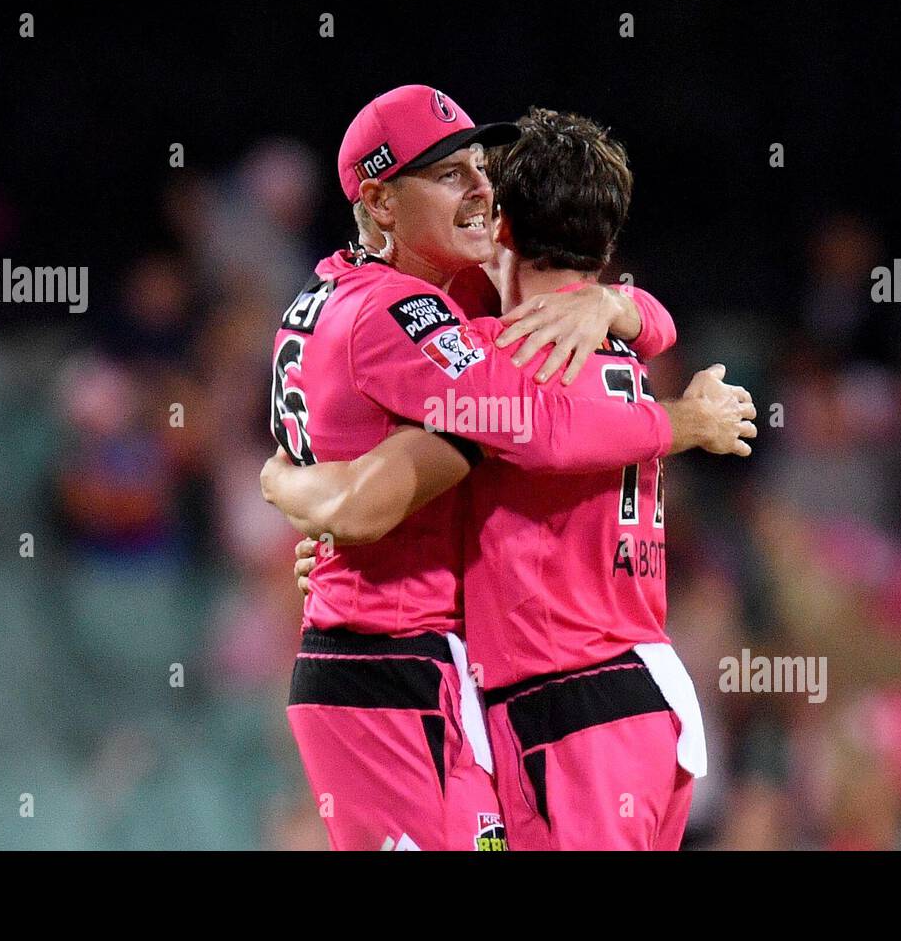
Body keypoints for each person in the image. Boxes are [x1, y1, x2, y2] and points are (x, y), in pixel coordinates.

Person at [265, 103, 755, 849]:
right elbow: (533, 426)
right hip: (563, 684)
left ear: (504, 231)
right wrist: (680, 415)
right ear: (380, 201)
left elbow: (383, 494)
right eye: (448, 174)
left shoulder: (424, 319)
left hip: (545, 700)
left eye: (480, 171)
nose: (477, 190)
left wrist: (285, 483)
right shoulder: (427, 320)